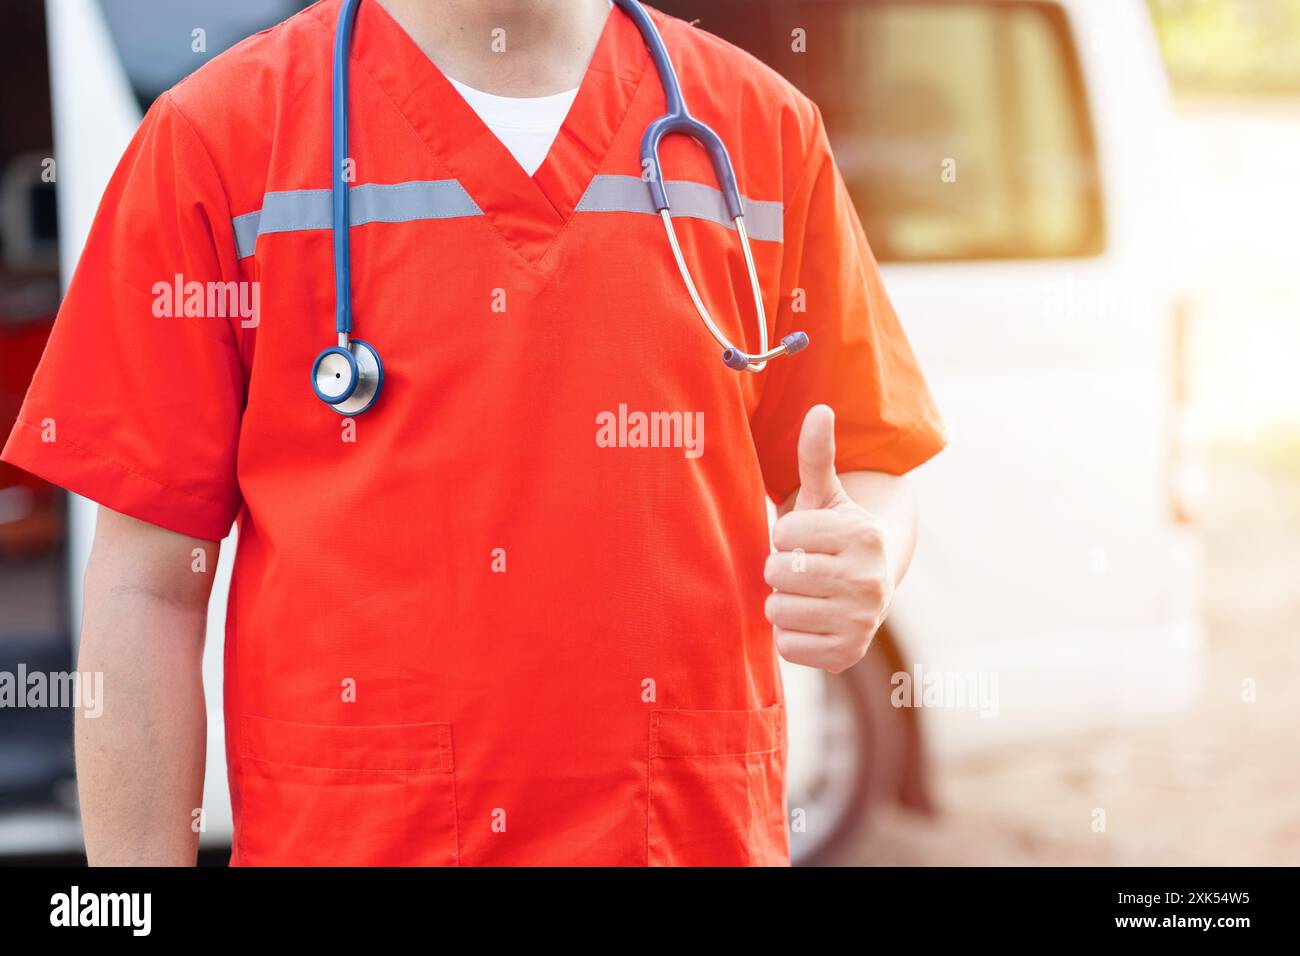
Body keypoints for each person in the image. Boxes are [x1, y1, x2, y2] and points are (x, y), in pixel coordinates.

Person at [1, 0, 945, 865]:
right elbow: (145, 594)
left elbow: (865, 458)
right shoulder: (219, 140)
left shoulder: (761, 129)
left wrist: (871, 550)